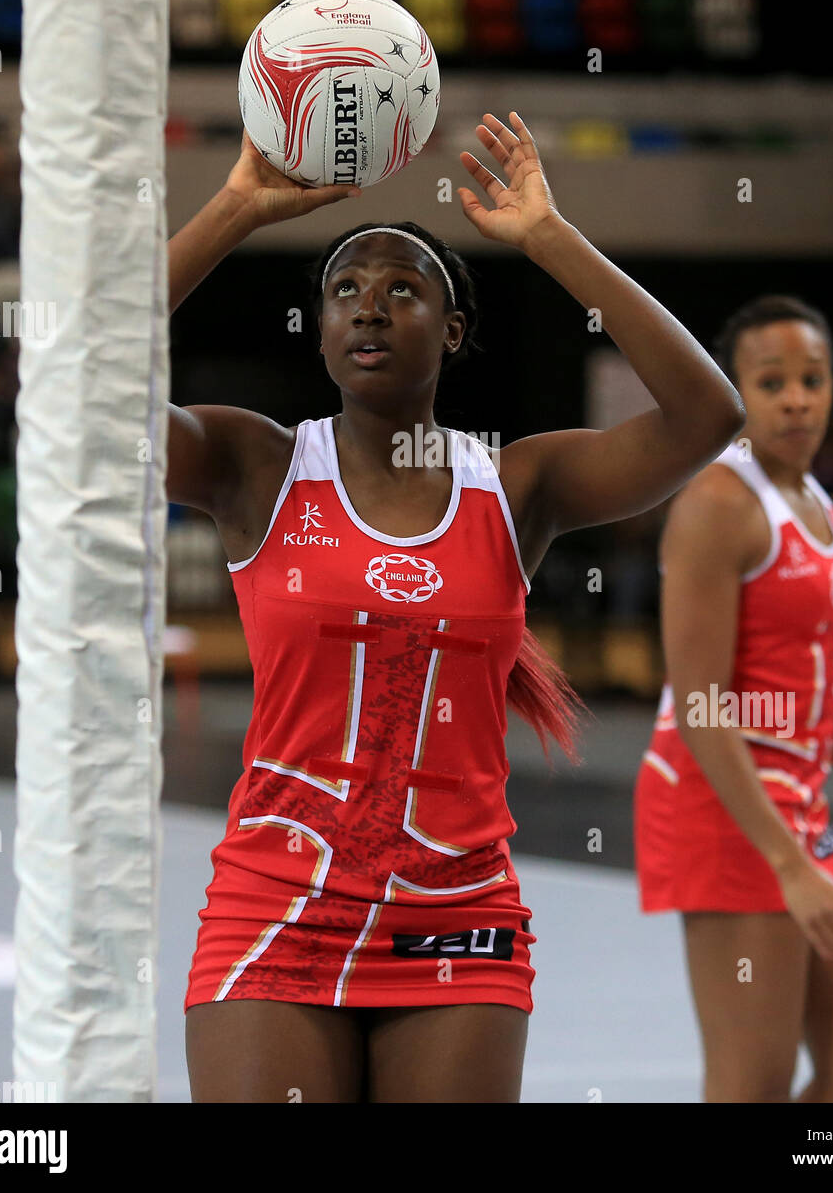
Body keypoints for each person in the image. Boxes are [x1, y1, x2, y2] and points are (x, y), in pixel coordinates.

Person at [170, 111, 744, 1103]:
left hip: (454, 915)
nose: (369, 308)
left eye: (404, 290)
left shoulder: (517, 486)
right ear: (318, 331)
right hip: (276, 901)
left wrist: (545, 234)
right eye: (345, 289)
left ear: (454, 329)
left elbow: (708, 414)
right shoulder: (256, 466)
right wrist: (232, 209)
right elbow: (71, 382)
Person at [634, 295, 833, 1104]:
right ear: (736, 394)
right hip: (720, 807)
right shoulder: (714, 506)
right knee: (751, 1088)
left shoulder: (815, 502)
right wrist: (785, 864)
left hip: (796, 812)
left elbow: (826, 676)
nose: (796, 398)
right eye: (771, 382)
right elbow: (699, 706)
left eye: (811, 379)